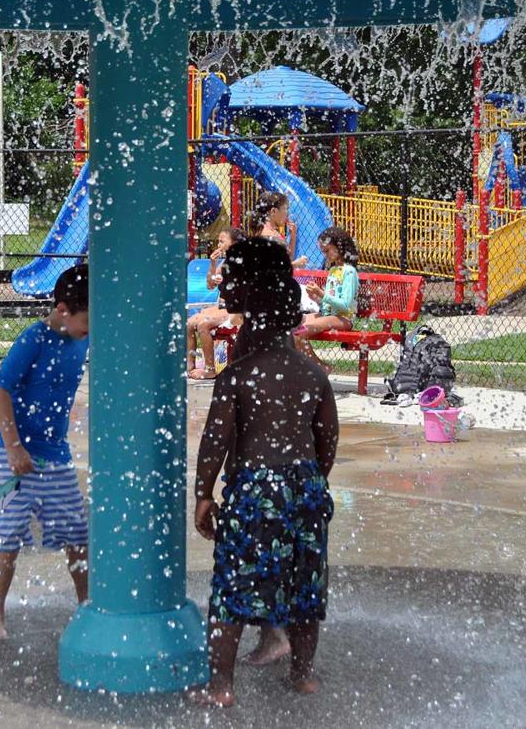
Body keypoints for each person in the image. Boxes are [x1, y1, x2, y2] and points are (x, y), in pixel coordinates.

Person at [189, 237, 339, 708]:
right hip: (304, 486)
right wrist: (311, 480)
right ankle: (303, 675)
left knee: (232, 587)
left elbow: (215, 440)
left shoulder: (238, 376)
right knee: (304, 586)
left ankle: (221, 686)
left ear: (251, 309)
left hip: (254, 489)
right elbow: (327, 439)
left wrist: (203, 494)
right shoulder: (313, 375)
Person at [0, 264, 91, 641]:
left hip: (55, 454)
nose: (90, 329)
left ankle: (86, 606)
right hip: (13, 454)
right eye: (86, 322)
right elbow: (0, 389)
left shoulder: (82, 339)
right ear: (63, 310)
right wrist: (13, 447)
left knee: (77, 533)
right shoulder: (34, 339)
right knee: (11, 527)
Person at [295, 226, 359, 373]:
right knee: (292, 326)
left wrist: (322, 294)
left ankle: (321, 368)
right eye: (323, 252)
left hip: (343, 318)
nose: (325, 255)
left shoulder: (349, 272)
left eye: (327, 250)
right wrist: (317, 298)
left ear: (339, 246)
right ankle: (308, 369)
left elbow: (345, 305)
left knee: (299, 332)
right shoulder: (333, 270)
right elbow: (328, 304)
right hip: (328, 315)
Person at [187, 227, 245, 380]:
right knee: (189, 323)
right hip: (224, 306)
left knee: (203, 325)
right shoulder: (226, 262)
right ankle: (189, 367)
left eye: (222, 241)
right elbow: (210, 285)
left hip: (237, 309)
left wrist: (230, 281)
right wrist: (212, 264)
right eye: (218, 241)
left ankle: (210, 369)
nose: (218, 245)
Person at [246, 191, 307, 268]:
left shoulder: (266, 231)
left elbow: (287, 259)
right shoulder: (268, 236)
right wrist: (295, 264)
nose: (288, 213)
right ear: (273, 211)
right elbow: (270, 269)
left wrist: (293, 237)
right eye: (285, 208)